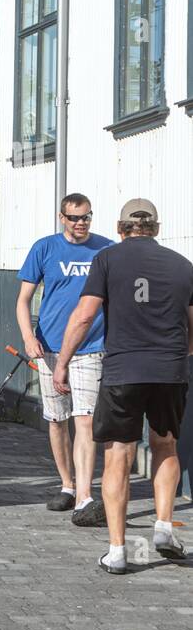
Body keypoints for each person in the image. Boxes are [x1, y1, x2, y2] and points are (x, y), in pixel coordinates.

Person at [54, 199, 192, 574]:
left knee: (118, 454)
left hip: (123, 370)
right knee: (166, 444)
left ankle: (117, 550)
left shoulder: (107, 259)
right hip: (170, 370)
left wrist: (62, 362)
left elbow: (84, 315)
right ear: (157, 229)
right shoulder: (183, 265)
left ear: (120, 228)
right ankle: (163, 526)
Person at [16, 193, 112, 525]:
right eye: (74, 217)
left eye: (86, 216)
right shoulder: (44, 248)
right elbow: (23, 300)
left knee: (84, 418)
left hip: (90, 347)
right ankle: (67, 485)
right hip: (50, 348)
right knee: (57, 420)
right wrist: (29, 338)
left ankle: (85, 497)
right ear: (62, 218)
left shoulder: (106, 249)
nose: (81, 223)